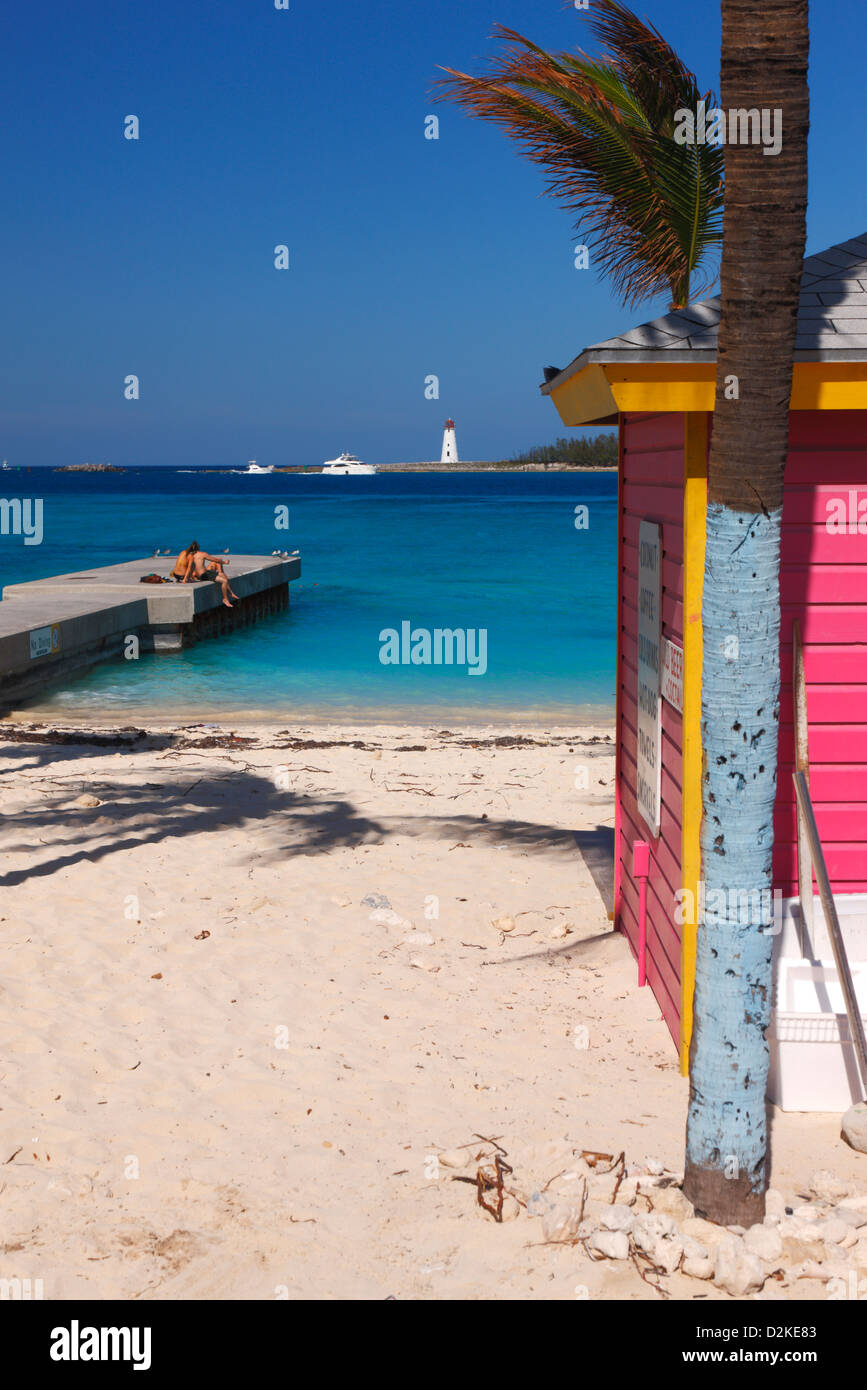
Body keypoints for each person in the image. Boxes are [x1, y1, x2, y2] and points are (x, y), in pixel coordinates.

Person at [172, 541, 239, 608]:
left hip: (197, 575)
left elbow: (188, 566)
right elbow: (216, 560)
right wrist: (224, 562)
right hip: (204, 575)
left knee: (222, 575)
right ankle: (225, 599)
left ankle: (231, 593)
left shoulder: (187, 554)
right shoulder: (202, 554)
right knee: (224, 581)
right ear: (198, 548)